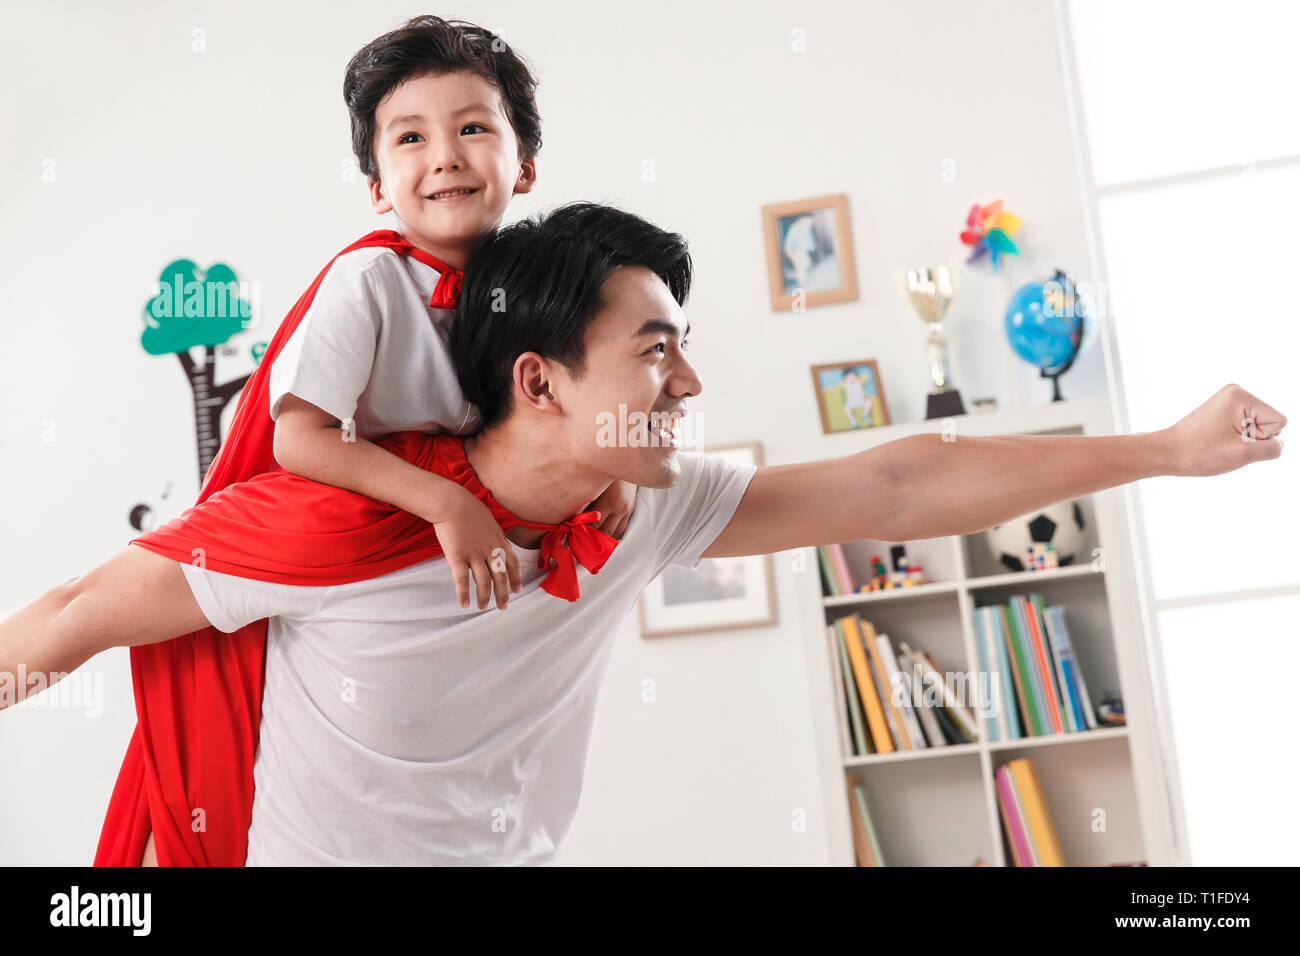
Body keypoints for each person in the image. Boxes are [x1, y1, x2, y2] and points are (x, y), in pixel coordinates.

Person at [1, 202, 1286, 865]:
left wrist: (1163, 449)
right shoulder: (346, 520)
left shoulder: (640, 508)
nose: (688, 385)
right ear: (540, 381)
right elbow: (69, 618)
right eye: (656, 352)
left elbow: (893, 488)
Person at [99, 15, 643, 866]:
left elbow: (579, 399)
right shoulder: (372, 280)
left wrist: (609, 470)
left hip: (435, 555)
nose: (446, 155)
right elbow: (301, 441)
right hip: (353, 518)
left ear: (525, 163)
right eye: (411, 138)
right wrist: (446, 501)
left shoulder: (547, 289)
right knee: (144, 667)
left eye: (474, 128)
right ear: (378, 185)